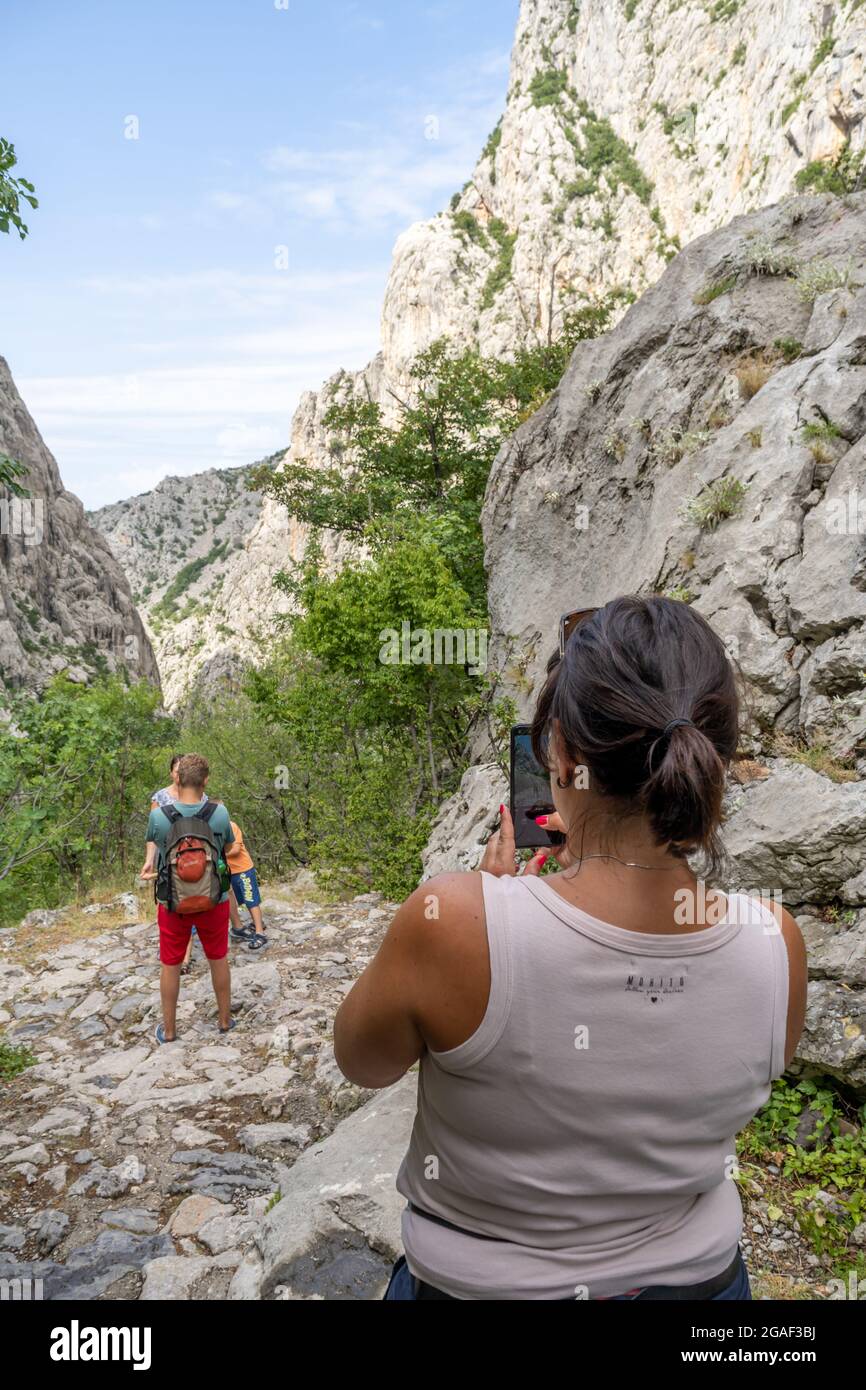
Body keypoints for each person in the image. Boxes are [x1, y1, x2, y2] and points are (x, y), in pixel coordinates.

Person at [333, 596, 807, 1301]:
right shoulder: (777, 941)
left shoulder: (457, 921)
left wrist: (490, 908)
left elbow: (362, 1063)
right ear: (717, 756)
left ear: (560, 753)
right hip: (705, 1289)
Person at [140, 753, 237, 1044]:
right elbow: (229, 847)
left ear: (177, 779)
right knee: (218, 959)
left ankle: (169, 1031)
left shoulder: (159, 816)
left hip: (173, 905)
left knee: (170, 965)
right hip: (214, 901)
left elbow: (156, 846)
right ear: (205, 780)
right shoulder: (219, 813)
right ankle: (224, 1020)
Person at [226, 821, 269, 950]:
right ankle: (238, 928)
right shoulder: (209, 828)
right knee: (231, 900)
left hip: (242, 870)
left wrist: (216, 855)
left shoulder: (231, 826)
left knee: (251, 901)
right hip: (227, 872)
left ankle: (260, 932)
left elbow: (236, 849)